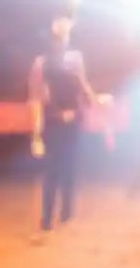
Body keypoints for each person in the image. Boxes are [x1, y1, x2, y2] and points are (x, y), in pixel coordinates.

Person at [28, 15, 101, 234]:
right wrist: (36, 134)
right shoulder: (42, 62)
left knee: (66, 167)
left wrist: (97, 101)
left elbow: (83, 86)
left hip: (70, 118)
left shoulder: (74, 58)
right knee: (55, 169)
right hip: (55, 119)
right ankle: (50, 217)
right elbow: (37, 97)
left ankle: (64, 214)